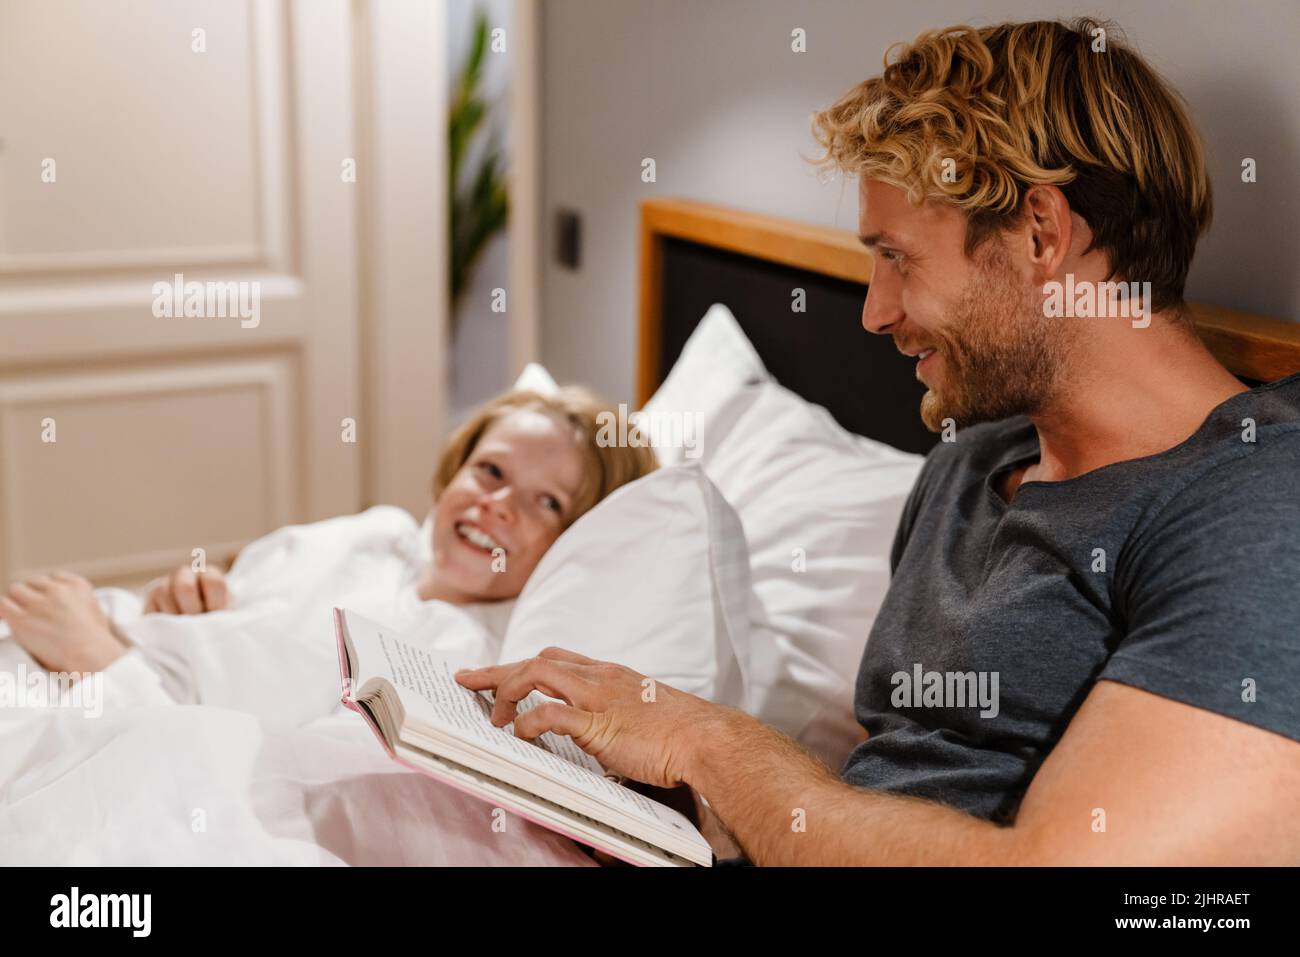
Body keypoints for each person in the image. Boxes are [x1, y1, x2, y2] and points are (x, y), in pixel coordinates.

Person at [456, 18, 1300, 865]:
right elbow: (879, 789)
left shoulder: (1253, 512)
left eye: (898, 257)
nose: (874, 312)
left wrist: (708, 743)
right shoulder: (966, 465)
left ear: (1042, 232)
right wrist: (688, 809)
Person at [0, 386, 657, 681]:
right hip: (112, 649)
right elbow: (246, 609)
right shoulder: (377, 533)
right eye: (489, 470)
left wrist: (99, 664)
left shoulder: (472, 657)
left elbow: (270, 758)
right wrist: (193, 595)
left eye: (546, 501)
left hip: (116, 688)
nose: (499, 505)